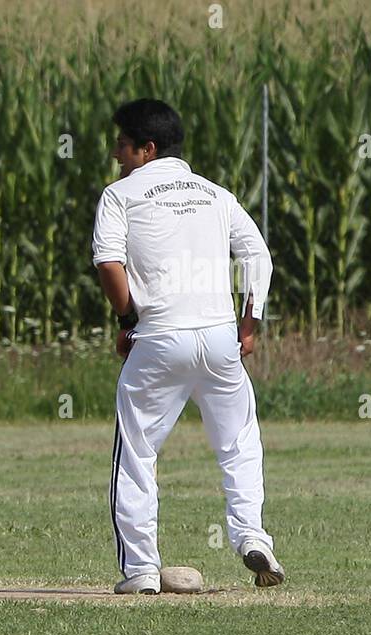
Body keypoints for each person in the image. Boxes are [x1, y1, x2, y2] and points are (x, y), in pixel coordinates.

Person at [92, 99, 285, 594]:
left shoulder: (120, 195)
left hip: (158, 337)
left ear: (147, 149)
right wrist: (249, 322)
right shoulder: (215, 194)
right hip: (220, 338)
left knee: (136, 451)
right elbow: (256, 255)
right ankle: (251, 538)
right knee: (239, 443)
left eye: (123, 144)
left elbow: (109, 265)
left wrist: (126, 319)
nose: (116, 153)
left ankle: (140, 570)